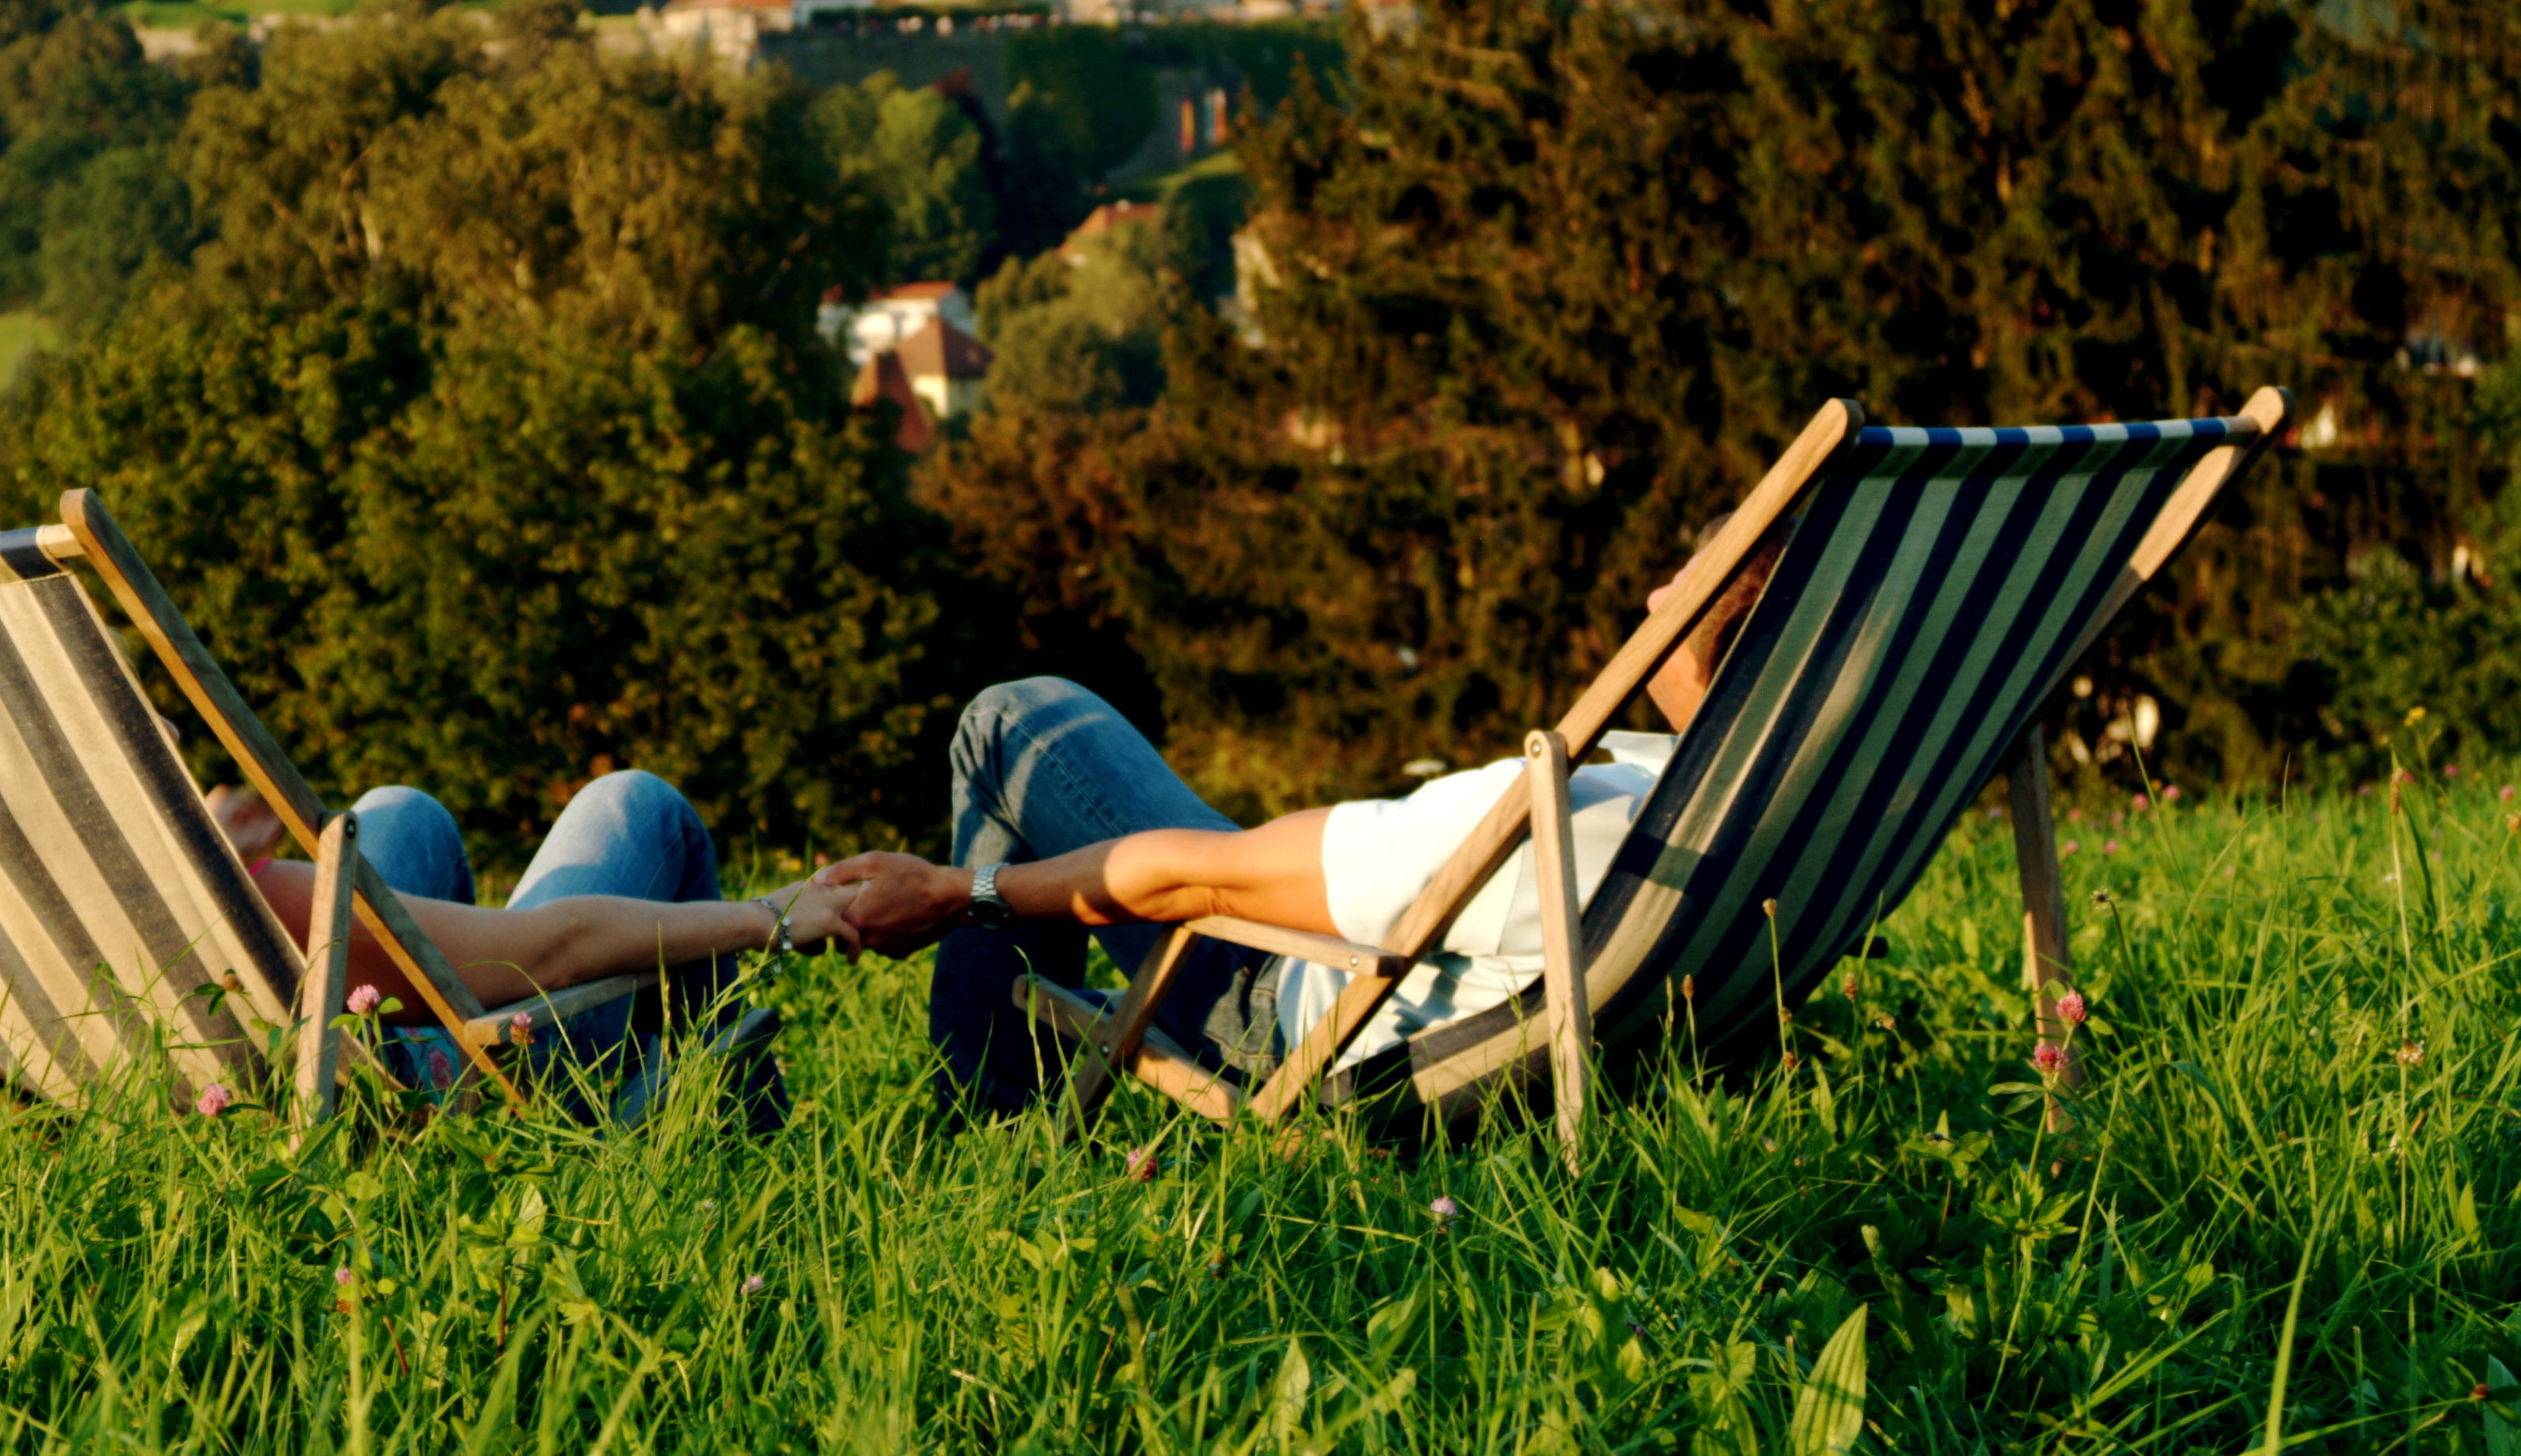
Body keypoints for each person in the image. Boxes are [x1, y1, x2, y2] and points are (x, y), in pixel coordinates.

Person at [810, 535, 1779, 1116]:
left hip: (1278, 1011)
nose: (1659, 593)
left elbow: (1199, 881)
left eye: (1696, 576)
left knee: (1015, 719)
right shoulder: (1773, 814)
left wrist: (958, 893)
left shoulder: (1562, 820)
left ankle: (992, 1123)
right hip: (1487, 1002)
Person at [210, 767, 857, 1114]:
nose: (175, 735)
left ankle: (682, 1094)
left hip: (258, 1074)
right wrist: (770, 914)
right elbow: (555, 949)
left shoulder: (144, 893)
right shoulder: (241, 888)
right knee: (636, 803)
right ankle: (747, 1153)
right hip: (448, 1088)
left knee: (403, 811)